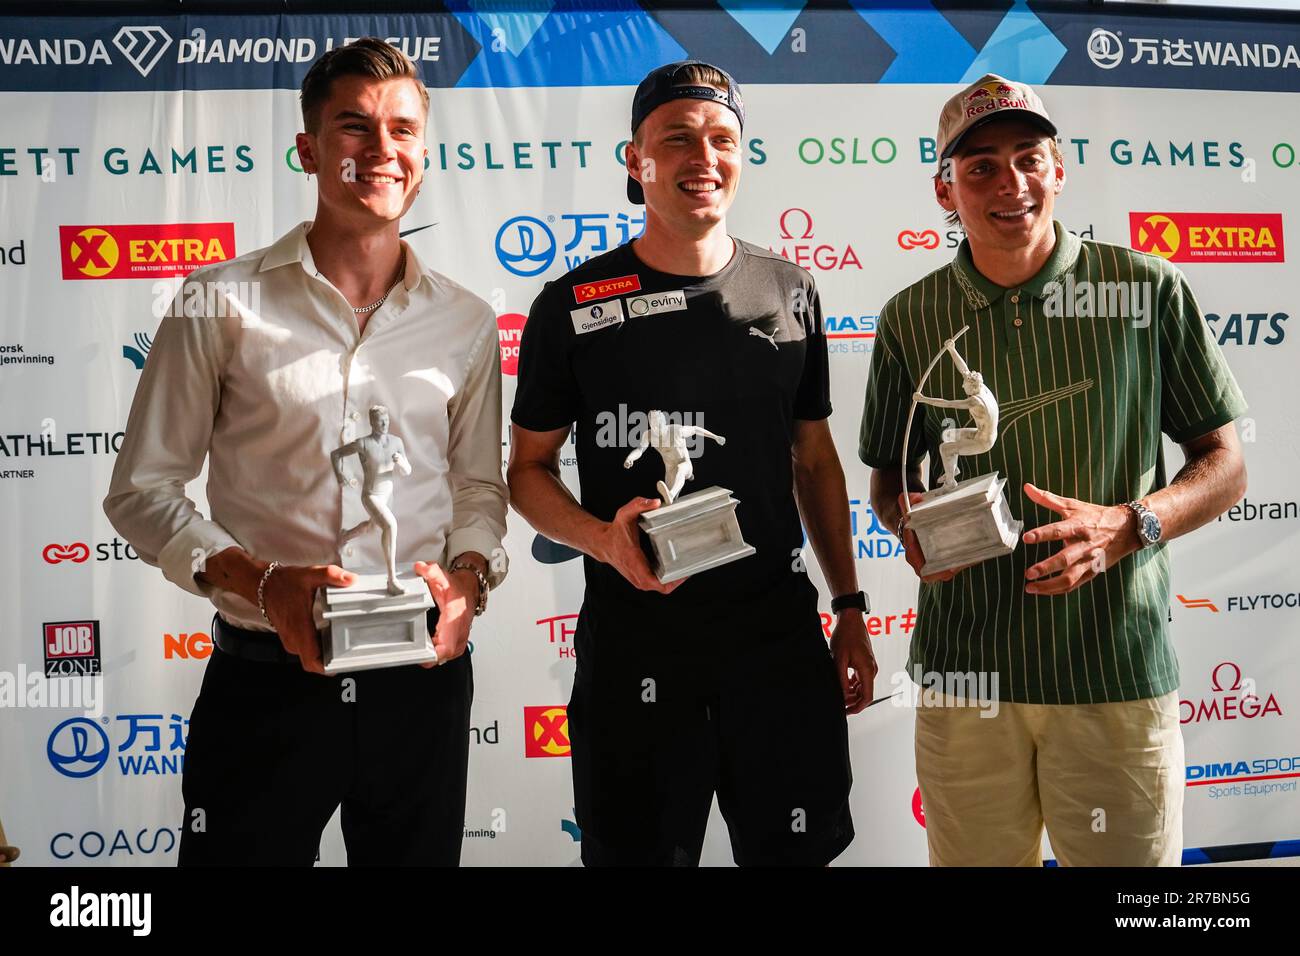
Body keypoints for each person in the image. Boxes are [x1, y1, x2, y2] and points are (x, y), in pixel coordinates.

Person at [104, 38, 508, 866]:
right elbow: (143, 490)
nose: (380, 150)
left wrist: (468, 579)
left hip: (421, 683)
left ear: (424, 156)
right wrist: (258, 582)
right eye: (353, 127)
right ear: (308, 149)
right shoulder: (219, 301)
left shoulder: (466, 320)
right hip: (265, 680)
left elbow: (477, 488)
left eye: (401, 130)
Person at [859, 74, 1248, 866]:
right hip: (967, 678)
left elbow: (1226, 464)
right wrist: (912, 532)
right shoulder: (910, 316)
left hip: (1114, 669)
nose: (1012, 184)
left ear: (1060, 170)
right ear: (945, 189)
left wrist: (1128, 526)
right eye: (981, 168)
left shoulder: (1144, 289)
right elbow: (888, 484)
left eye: (1029, 158)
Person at [508, 60, 875, 867]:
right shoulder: (570, 306)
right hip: (638, 649)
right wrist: (603, 539)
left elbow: (814, 462)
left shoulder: (790, 289)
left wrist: (849, 605)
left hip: (775, 643)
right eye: (675, 140)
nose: (702, 158)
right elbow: (526, 472)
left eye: (721, 139)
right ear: (634, 162)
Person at [333, 404, 412, 594]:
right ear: (371, 422)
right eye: (379, 420)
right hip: (371, 495)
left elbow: (408, 471)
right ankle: (392, 580)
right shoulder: (363, 444)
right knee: (390, 525)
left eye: (386, 419)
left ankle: (345, 536)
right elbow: (336, 454)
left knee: (373, 526)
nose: (384, 423)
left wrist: (401, 463)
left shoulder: (396, 442)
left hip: (388, 495)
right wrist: (339, 476)